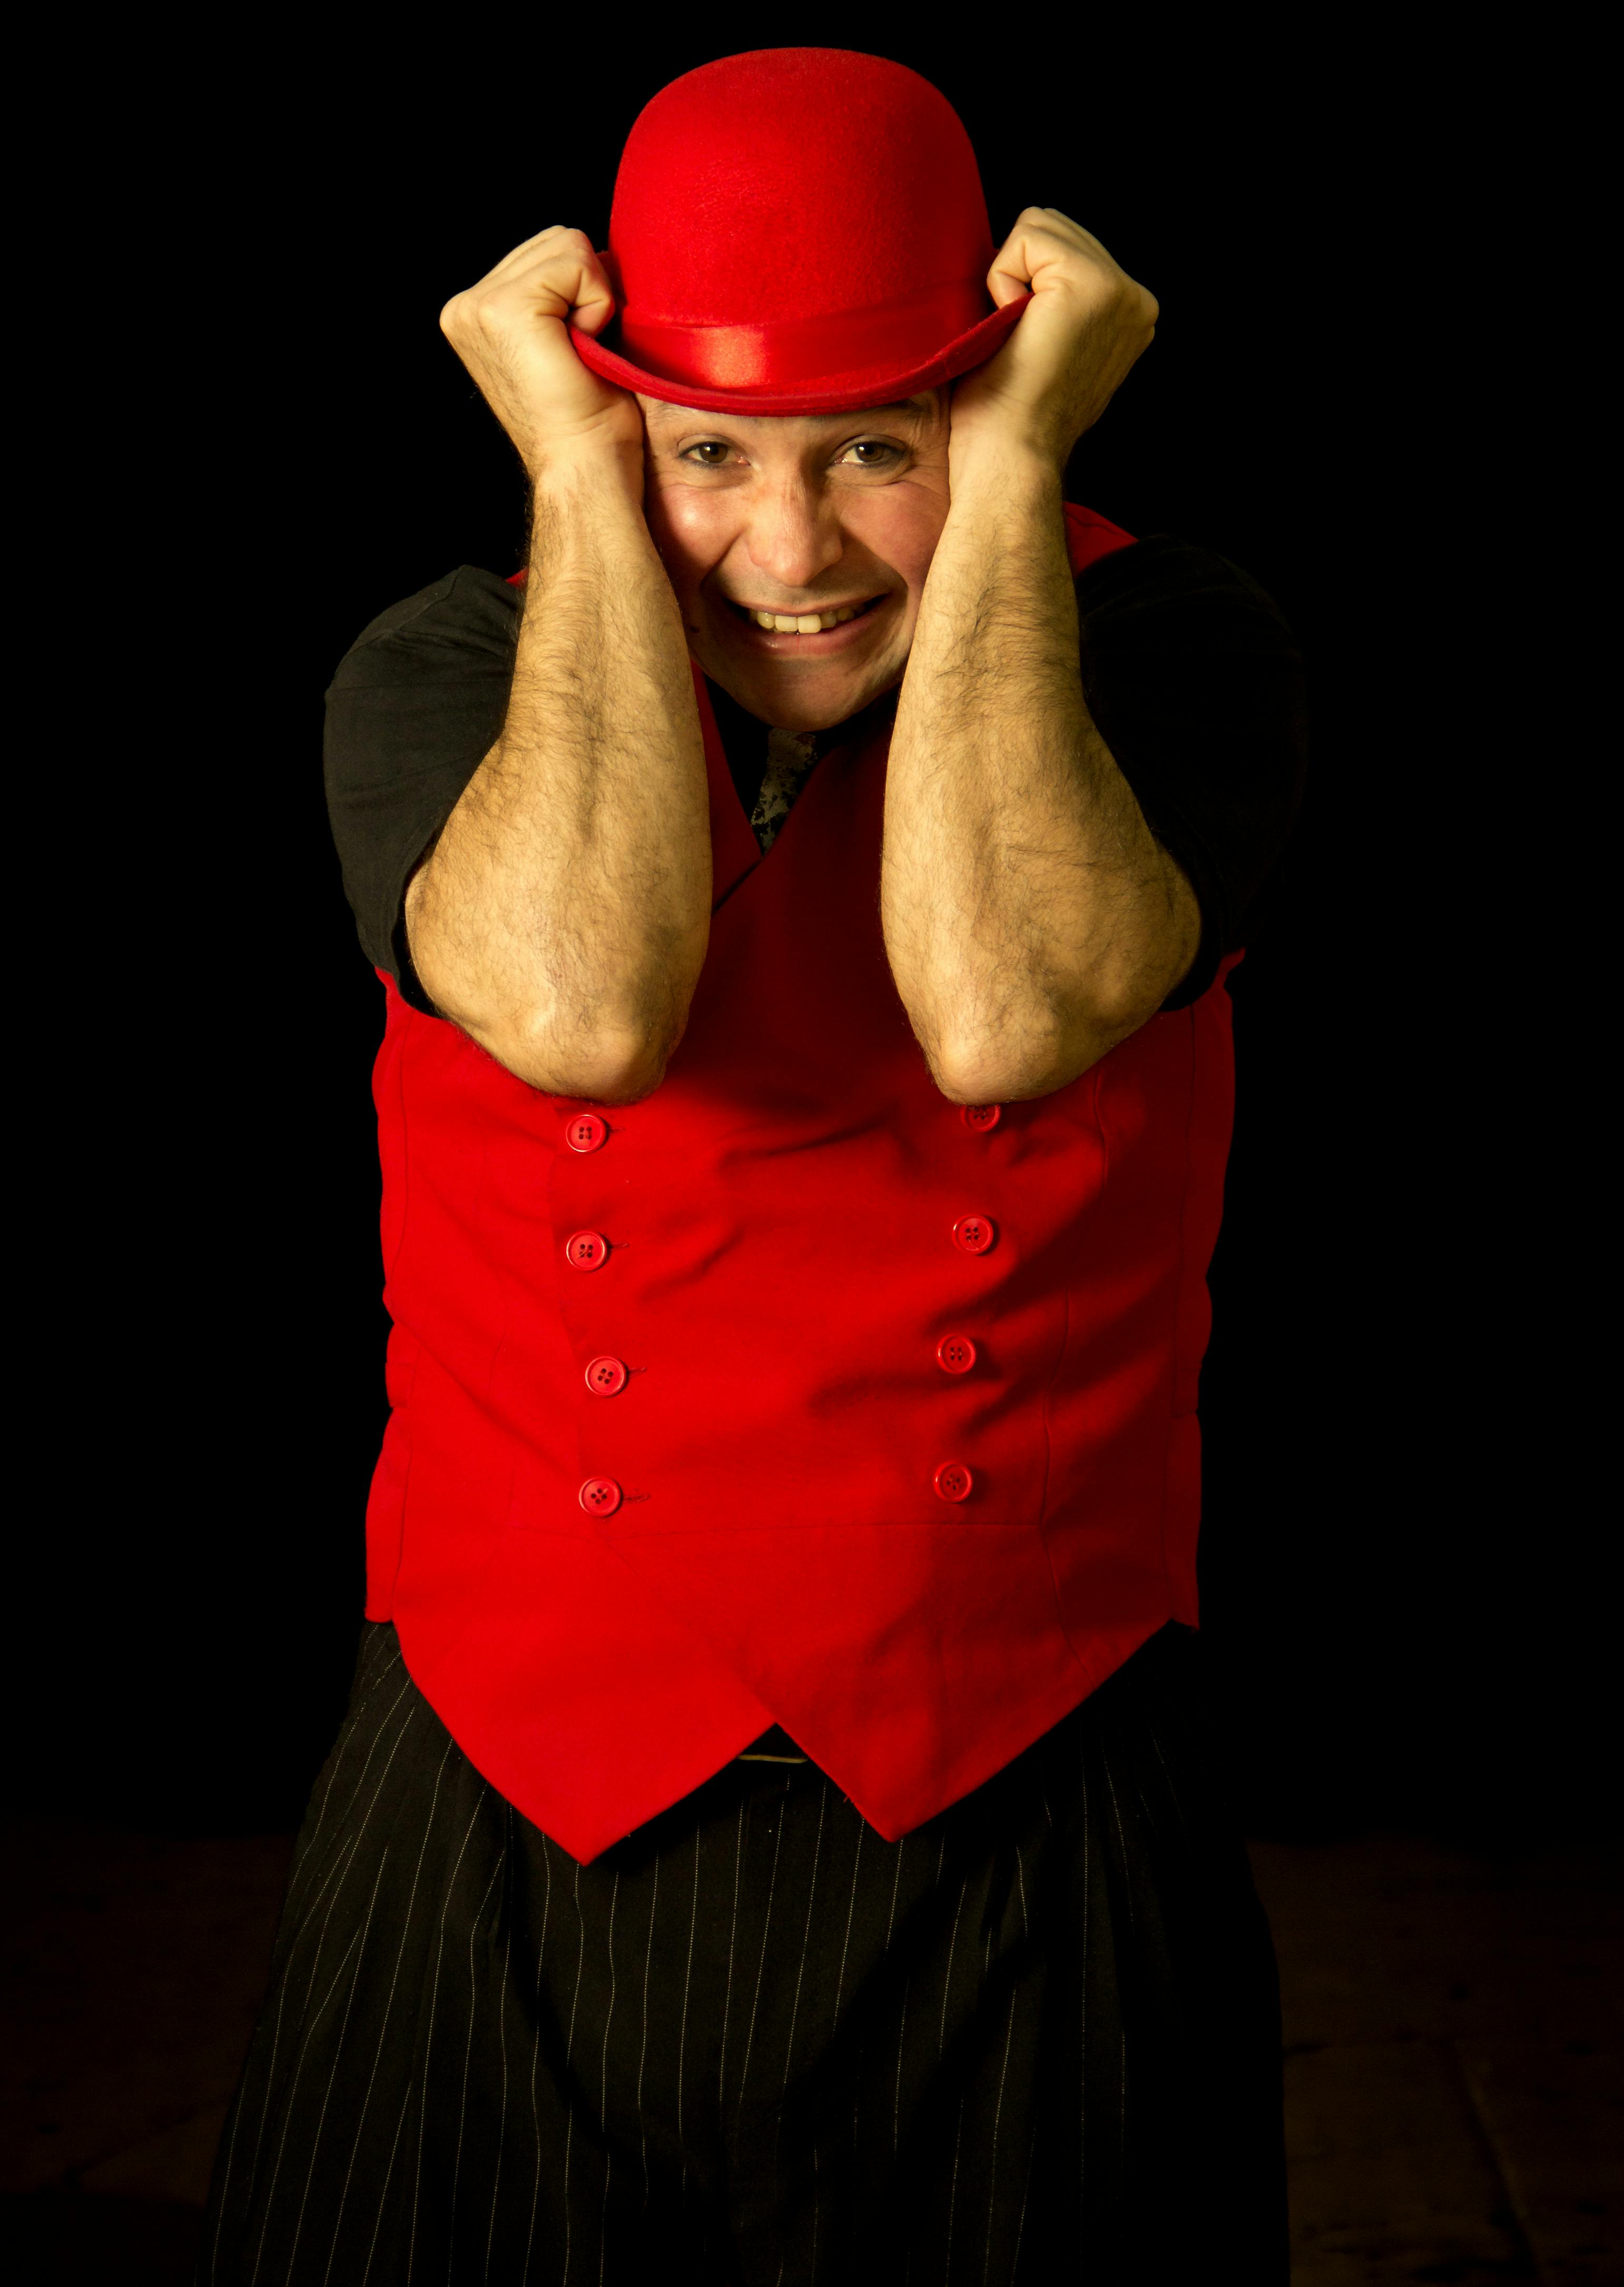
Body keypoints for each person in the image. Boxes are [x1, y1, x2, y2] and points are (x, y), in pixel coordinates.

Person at [203, 47, 1305, 2285]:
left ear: (991, 415)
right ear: (615, 435)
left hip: (1029, 1785)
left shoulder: (1177, 654)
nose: (789, 554)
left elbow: (1005, 1011)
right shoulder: (441, 670)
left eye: (877, 452)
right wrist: (581, 482)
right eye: (711, 455)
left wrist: (1011, 479)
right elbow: (588, 1005)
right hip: (504, 1794)